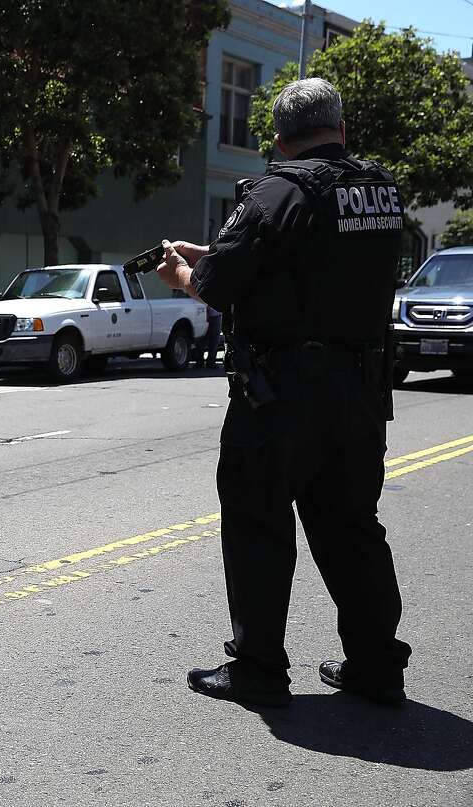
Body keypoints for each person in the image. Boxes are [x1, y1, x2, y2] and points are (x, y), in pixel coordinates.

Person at [155, 78, 411, 707]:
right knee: (352, 527)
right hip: (361, 392)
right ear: (340, 130)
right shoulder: (381, 191)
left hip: (282, 397)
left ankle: (259, 669)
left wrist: (184, 272)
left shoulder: (277, 191)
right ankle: (377, 666)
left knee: (258, 524)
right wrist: (216, 253)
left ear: (278, 139)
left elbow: (217, 285)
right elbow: (306, 263)